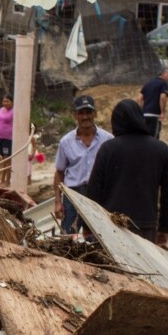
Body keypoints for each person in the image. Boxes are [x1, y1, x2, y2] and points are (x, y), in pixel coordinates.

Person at [88, 99, 168, 246]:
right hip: (146, 226)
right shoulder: (161, 149)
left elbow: (94, 190)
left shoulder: (108, 149)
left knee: (111, 268)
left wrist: (88, 225)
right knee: (143, 267)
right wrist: (164, 228)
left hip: (111, 225)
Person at [53, 95, 113, 234]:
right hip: (73, 195)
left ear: (95, 114)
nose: (85, 117)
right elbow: (59, 172)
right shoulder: (66, 141)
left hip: (98, 195)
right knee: (68, 236)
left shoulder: (108, 140)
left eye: (88, 112)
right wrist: (57, 202)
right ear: (75, 115)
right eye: (81, 113)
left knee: (99, 236)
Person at [138, 64, 168, 139]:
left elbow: (140, 98)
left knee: (144, 136)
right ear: (164, 74)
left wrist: (140, 110)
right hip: (154, 115)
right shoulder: (163, 84)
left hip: (144, 114)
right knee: (154, 138)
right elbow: (163, 97)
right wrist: (162, 112)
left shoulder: (148, 84)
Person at [0, 94, 14, 188]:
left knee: (7, 159)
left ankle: (7, 180)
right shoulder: (1, 110)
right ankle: (0, 179)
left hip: (8, 138)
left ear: (12, 102)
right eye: (4, 101)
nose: (5, 103)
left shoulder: (14, 111)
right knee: (1, 159)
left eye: (7, 101)